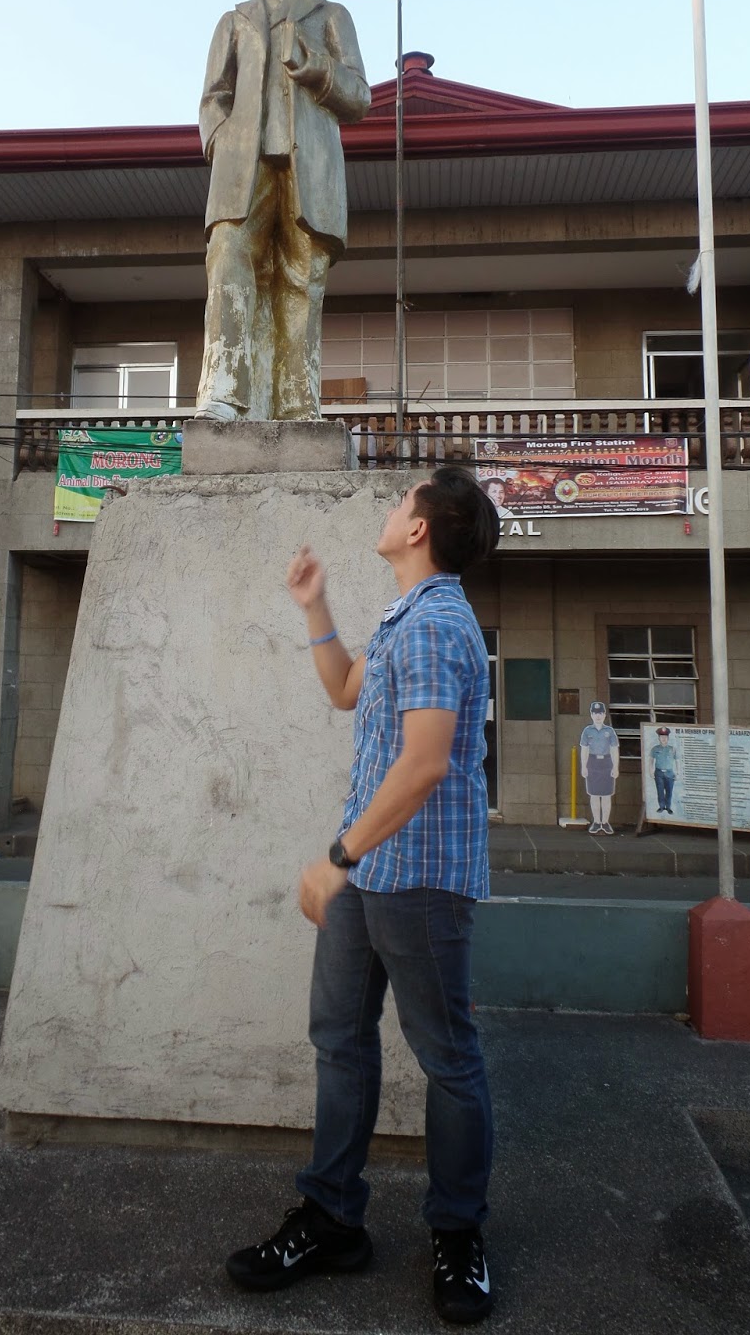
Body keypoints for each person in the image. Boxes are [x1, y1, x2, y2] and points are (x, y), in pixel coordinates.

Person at [225, 468, 500, 1324]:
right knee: (341, 1043)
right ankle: (334, 1219)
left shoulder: (438, 626)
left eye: (401, 501)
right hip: (370, 871)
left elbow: (423, 765)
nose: (390, 510)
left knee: (446, 1059)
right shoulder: (406, 619)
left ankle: (458, 1235)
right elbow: (347, 693)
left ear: (420, 529)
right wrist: (317, 608)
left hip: (411, 878)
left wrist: (336, 858)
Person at [196, 0, 371, 423]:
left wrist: (317, 67)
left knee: (302, 277)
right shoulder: (234, 21)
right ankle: (224, 395)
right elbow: (212, 99)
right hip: (241, 168)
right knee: (227, 261)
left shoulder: (329, 15)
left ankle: (298, 404)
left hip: (307, 167)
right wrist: (221, 141)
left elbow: (359, 96)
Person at [579, 701, 619, 834]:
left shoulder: (610, 731)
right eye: (595, 713)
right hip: (593, 763)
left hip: (607, 762)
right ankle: (596, 822)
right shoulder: (587, 731)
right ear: (591, 714)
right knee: (594, 795)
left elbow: (614, 750)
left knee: (607, 795)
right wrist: (583, 766)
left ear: (604, 714)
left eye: (600, 713)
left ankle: (605, 822)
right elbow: (584, 750)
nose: (598, 716)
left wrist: (616, 767)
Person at [651, 727, 677, 814]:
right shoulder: (655, 749)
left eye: (665, 737)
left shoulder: (672, 749)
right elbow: (651, 760)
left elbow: (677, 761)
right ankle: (661, 807)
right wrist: (651, 771)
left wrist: (677, 773)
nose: (664, 739)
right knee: (660, 791)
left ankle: (668, 807)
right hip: (659, 773)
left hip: (669, 773)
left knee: (669, 792)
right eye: (662, 737)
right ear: (659, 738)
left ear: (668, 738)